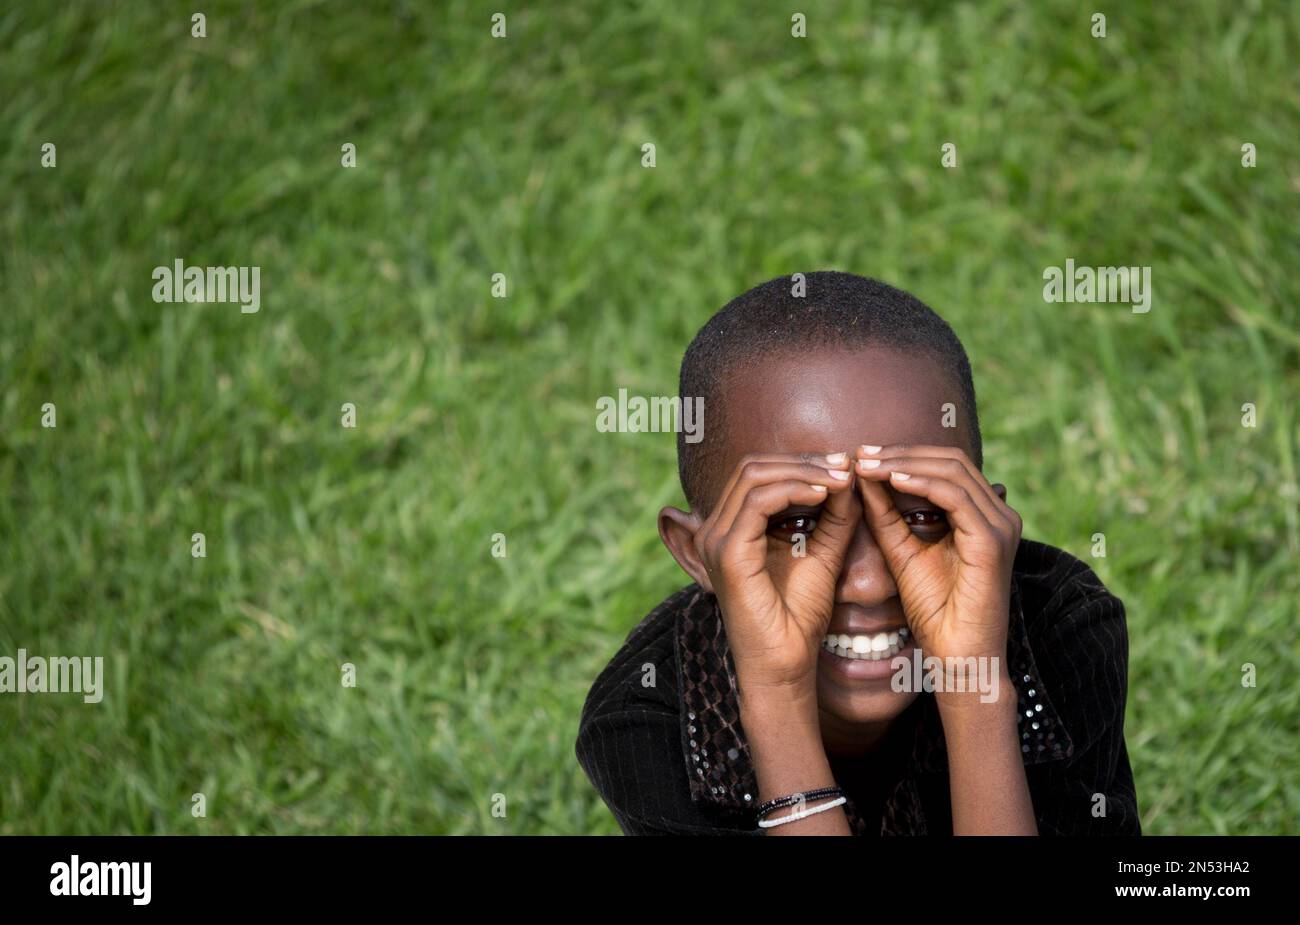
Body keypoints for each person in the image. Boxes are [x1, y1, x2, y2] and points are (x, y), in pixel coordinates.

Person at [575, 271, 1140, 835]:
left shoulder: (1061, 629)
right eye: (796, 523)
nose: (870, 583)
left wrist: (975, 693)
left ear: (989, 528)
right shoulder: (649, 716)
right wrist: (776, 698)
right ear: (699, 554)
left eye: (921, 516)